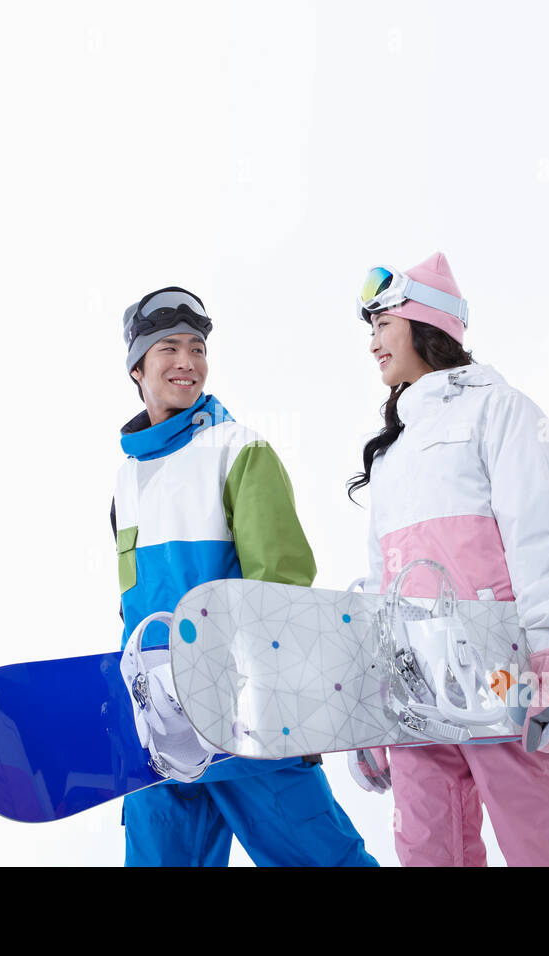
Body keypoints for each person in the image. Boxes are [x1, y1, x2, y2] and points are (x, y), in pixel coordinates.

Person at [113, 285, 377, 867]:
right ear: (138, 367)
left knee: (322, 859)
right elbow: (132, 605)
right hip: (162, 732)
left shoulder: (239, 451)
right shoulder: (126, 480)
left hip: (243, 719)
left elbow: (280, 590)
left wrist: (291, 714)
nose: (187, 363)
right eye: (169, 349)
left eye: (197, 349)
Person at [346, 253, 549, 867]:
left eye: (382, 324)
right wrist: (371, 705)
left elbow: (538, 537)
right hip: (416, 684)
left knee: (541, 842)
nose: (373, 342)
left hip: (502, 674)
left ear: (423, 324)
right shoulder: (391, 453)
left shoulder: (501, 410)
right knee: (428, 850)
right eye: (370, 329)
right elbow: (383, 584)